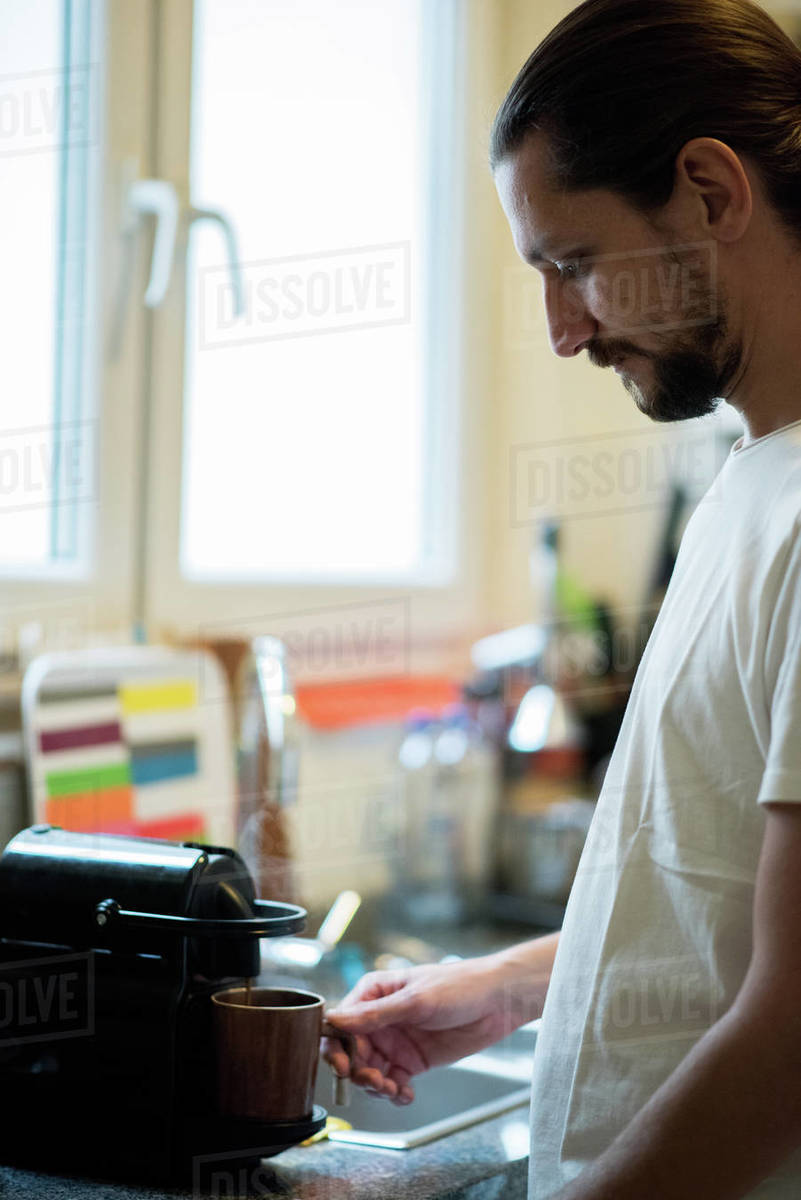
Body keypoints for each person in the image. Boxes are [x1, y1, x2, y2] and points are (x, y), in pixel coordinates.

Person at [322, 1, 801, 1195]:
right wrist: (513, 987)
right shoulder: (752, 472)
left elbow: (791, 1034)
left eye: (574, 264)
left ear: (708, 191)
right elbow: (717, 897)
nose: (562, 329)